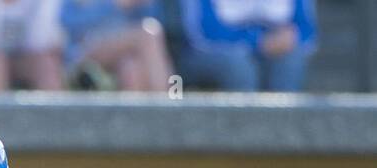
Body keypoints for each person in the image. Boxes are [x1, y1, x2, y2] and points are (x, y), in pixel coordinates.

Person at [178, 0, 317, 92]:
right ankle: (244, 130)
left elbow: (306, 32)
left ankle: (285, 127)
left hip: (268, 50)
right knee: (237, 64)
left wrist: (288, 38)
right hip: (206, 53)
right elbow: (203, 34)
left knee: (290, 55)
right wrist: (258, 42)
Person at [60, 0, 174, 91]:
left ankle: (140, 118)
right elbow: (70, 20)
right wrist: (114, 5)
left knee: (131, 68)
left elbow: (154, 16)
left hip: (124, 49)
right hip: (84, 50)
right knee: (149, 34)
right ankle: (167, 105)